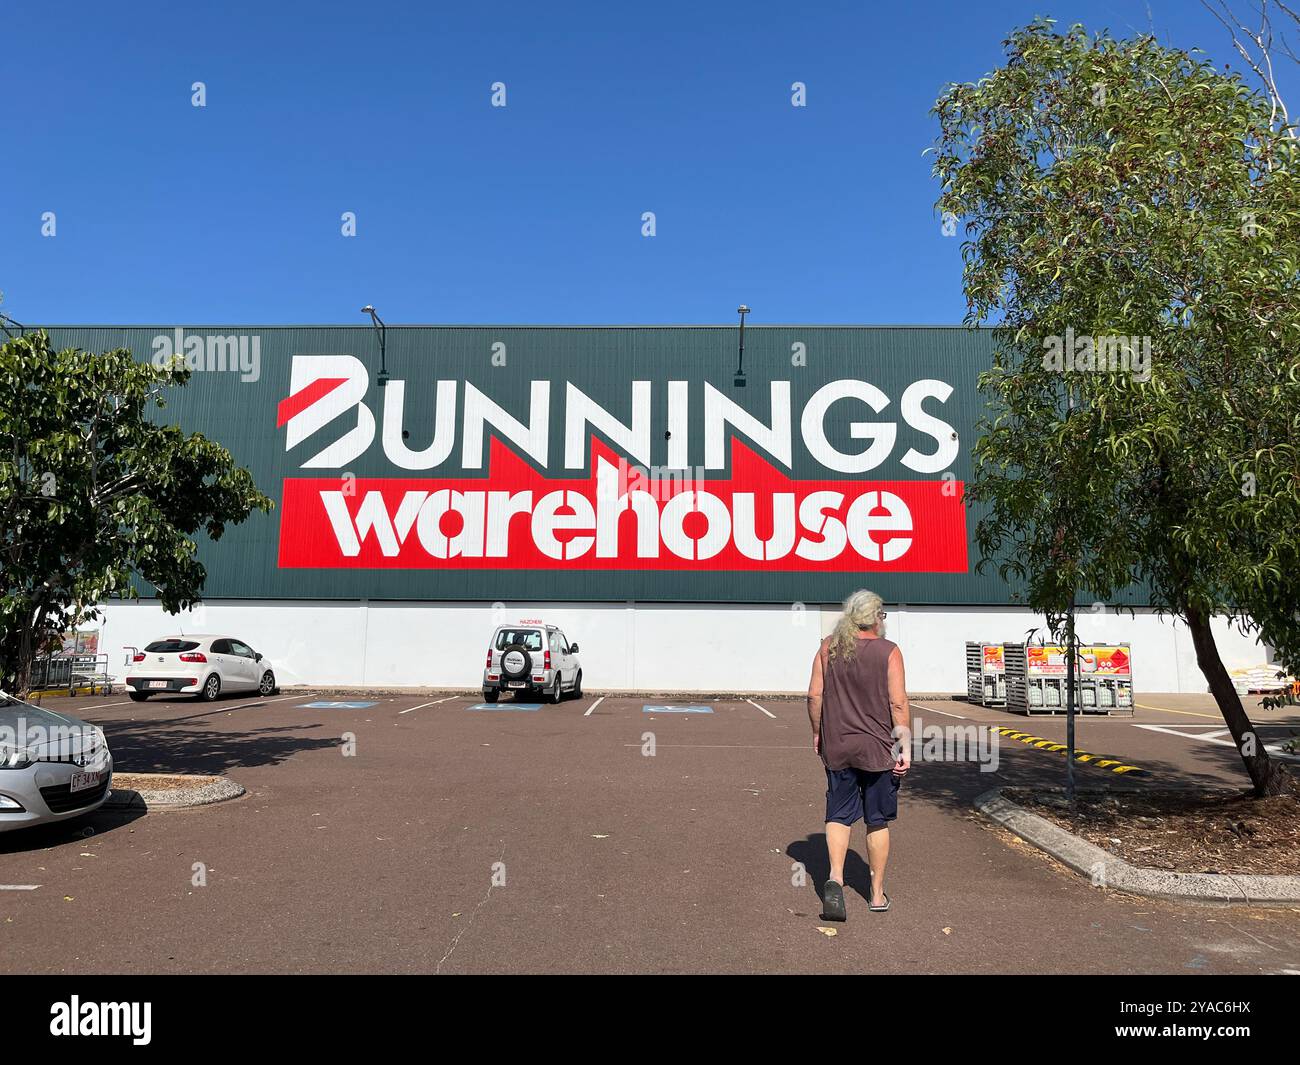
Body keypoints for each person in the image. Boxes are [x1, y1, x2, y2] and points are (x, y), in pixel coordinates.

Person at [806, 589, 910, 922]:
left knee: (838, 813)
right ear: (876, 618)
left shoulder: (827, 647)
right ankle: (876, 894)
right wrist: (903, 744)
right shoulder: (889, 652)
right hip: (879, 749)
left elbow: (814, 696)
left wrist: (818, 731)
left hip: (838, 746)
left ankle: (835, 877)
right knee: (876, 819)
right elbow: (898, 704)